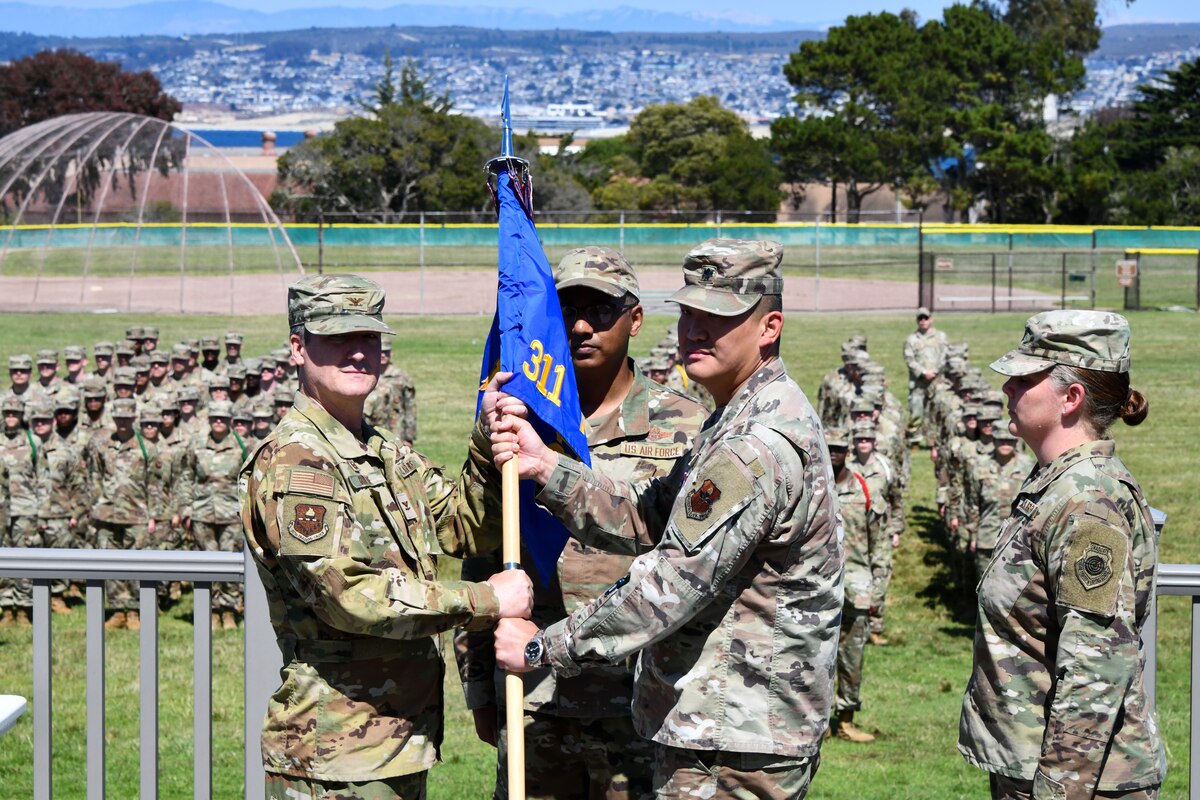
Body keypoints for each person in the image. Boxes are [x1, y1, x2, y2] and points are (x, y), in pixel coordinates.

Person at [490, 239, 843, 799]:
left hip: (733, 737)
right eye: (689, 313)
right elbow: (651, 514)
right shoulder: (735, 418)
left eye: (719, 318)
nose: (696, 331)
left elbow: (668, 584)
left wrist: (543, 649)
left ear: (769, 326)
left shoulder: (754, 445)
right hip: (725, 724)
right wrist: (547, 468)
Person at [239, 273, 533, 800]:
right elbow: (350, 596)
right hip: (334, 758)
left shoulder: (383, 450)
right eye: (338, 339)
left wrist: (489, 445)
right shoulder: (297, 462)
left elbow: (460, 524)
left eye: (368, 339)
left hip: (390, 741)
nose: (357, 354)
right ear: (298, 348)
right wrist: (486, 599)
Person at [456, 246, 707, 800]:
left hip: (641, 697)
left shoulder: (686, 427)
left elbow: (697, 564)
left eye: (603, 309)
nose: (582, 326)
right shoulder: (521, 424)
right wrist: (478, 682)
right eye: (567, 311)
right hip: (538, 696)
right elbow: (484, 549)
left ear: (636, 319)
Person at [958, 310, 1166, 799]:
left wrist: (1058, 790)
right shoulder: (1054, 484)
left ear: (1071, 398)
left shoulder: (1087, 502)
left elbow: (1096, 668)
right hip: (1039, 769)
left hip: (1076, 781)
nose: (1007, 389)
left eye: (1024, 380)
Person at [827, 426, 883, 743]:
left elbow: (879, 540)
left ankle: (846, 719)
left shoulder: (862, 486)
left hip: (858, 583)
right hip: (818, 584)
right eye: (828, 447)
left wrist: (878, 587)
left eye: (838, 448)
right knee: (813, 656)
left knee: (852, 655)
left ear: (847, 451)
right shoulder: (812, 483)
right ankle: (816, 722)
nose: (833, 452)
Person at [181, 400, 247, 630]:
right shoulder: (196, 444)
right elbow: (186, 476)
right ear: (209, 420)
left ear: (230, 421)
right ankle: (210, 609)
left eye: (223, 418)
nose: (218, 422)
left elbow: (248, 480)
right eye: (214, 418)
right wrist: (186, 508)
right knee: (206, 563)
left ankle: (229, 610)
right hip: (202, 513)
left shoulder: (242, 446)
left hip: (231, 514)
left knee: (231, 563)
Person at [903, 307, 948, 447]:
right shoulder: (911, 339)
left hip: (937, 380)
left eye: (926, 318)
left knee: (935, 410)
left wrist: (935, 371)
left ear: (931, 319)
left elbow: (945, 356)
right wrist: (923, 372)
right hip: (918, 382)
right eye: (920, 318)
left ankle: (933, 441)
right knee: (916, 410)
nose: (923, 321)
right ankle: (914, 440)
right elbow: (909, 359)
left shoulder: (940, 337)